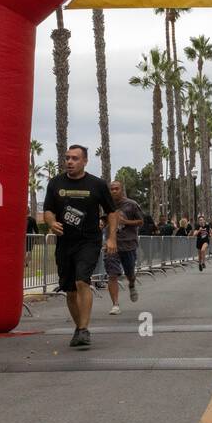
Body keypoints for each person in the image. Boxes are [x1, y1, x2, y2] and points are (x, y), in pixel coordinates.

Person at [42, 144, 119, 349]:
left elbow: (112, 212)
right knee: (69, 289)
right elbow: (48, 209)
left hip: (89, 240)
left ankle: (84, 329)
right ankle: (79, 328)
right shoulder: (55, 183)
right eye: (67, 158)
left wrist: (111, 238)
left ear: (85, 161)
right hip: (65, 242)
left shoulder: (97, 184)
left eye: (75, 158)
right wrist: (51, 222)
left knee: (81, 281)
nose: (69, 162)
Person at [104, 180, 144, 315]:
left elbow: (141, 221)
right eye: (111, 189)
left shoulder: (131, 205)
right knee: (112, 274)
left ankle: (132, 284)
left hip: (129, 244)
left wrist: (126, 222)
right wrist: (101, 224)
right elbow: (105, 219)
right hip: (112, 245)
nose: (114, 191)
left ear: (122, 190)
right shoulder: (107, 204)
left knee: (130, 273)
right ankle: (115, 304)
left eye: (116, 189)